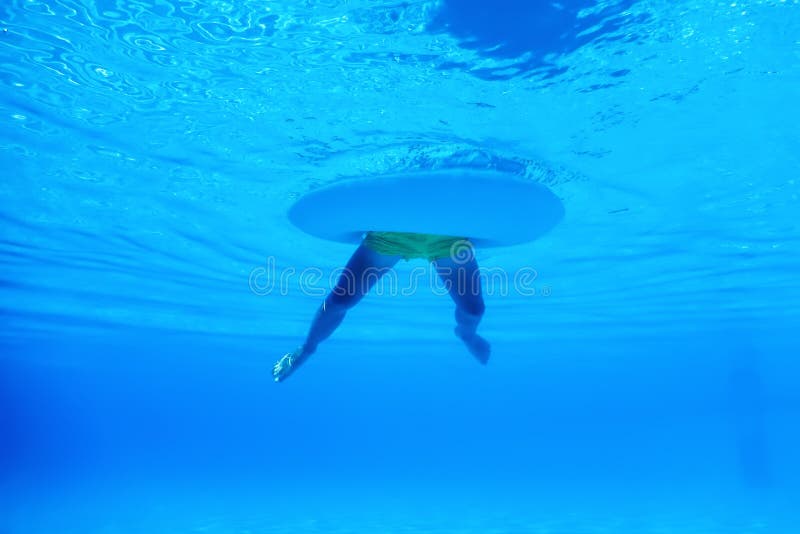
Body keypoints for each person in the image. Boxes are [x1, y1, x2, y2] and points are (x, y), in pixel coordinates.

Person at [272, 231, 489, 382]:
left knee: (474, 310)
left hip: (447, 241)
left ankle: (467, 335)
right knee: (341, 300)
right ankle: (307, 349)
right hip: (390, 237)